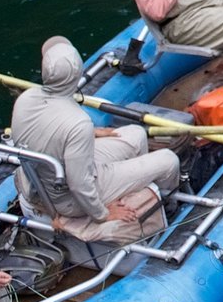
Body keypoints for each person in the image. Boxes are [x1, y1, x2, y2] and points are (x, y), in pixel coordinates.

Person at [11, 36, 182, 236]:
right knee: (169, 160)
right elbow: (79, 183)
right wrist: (102, 214)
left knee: (136, 134)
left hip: (45, 181)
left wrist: (93, 133)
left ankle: (132, 189)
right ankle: (170, 209)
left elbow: (50, 132)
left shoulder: (26, 98)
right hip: (70, 200)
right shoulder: (77, 123)